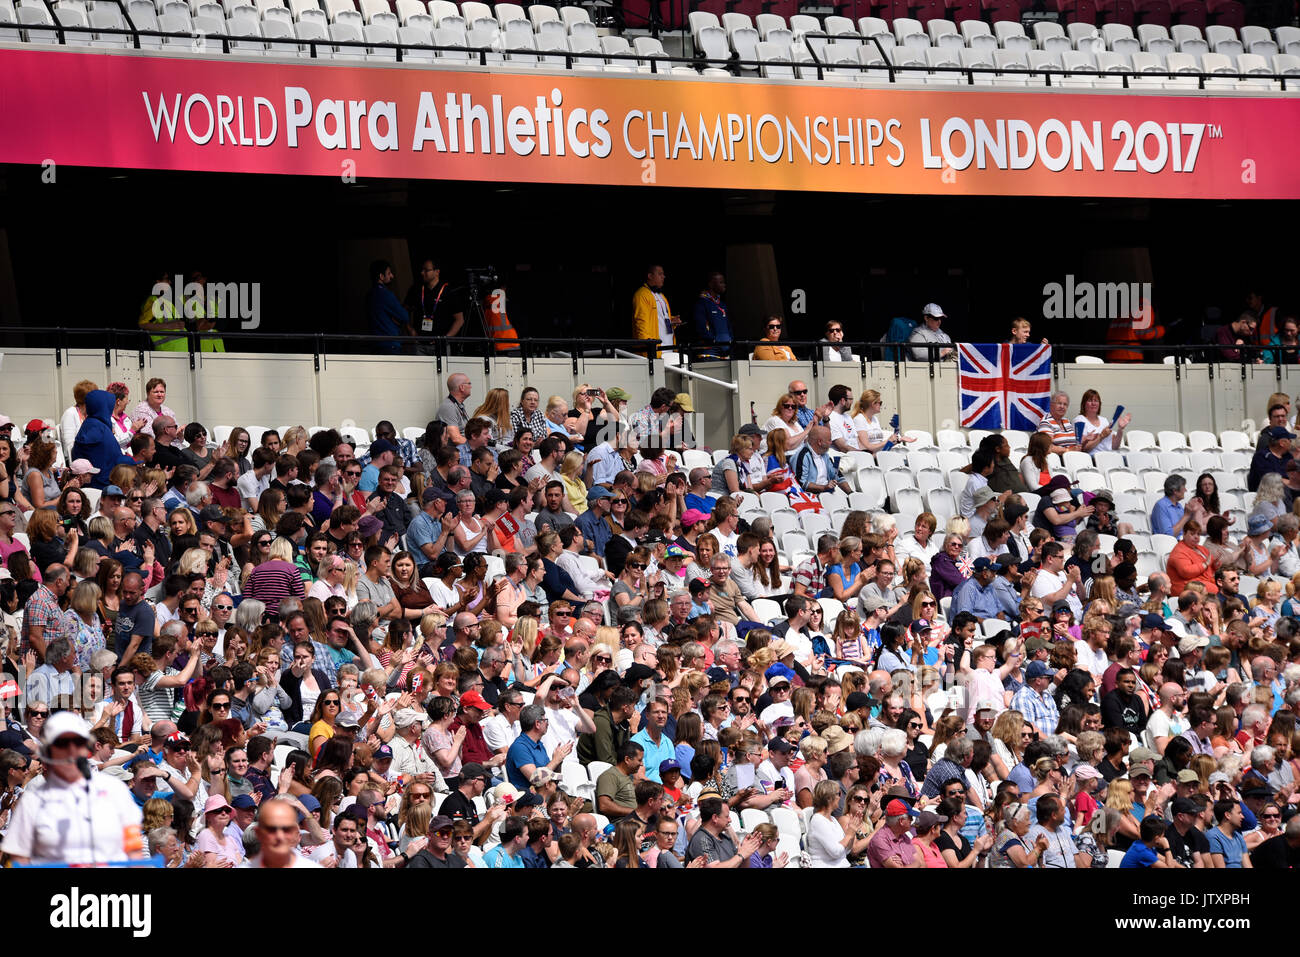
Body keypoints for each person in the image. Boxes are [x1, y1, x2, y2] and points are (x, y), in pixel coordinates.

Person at [1, 712, 145, 865]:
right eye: (62, 744)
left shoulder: (114, 789)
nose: (70, 750)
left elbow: (134, 852)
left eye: (77, 743)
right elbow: (19, 858)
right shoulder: (32, 801)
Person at [366, 259, 412, 354]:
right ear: (381, 276)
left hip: (375, 345)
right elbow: (404, 316)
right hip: (390, 345)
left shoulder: (368, 295)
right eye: (389, 273)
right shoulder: (386, 294)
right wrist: (395, 318)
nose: (392, 276)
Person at [632, 264, 678, 356]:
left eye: (663, 274)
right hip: (655, 350)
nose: (663, 277)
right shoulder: (642, 295)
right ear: (650, 276)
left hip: (669, 348)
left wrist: (672, 321)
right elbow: (641, 323)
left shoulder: (662, 296)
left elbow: (659, 319)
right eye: (660, 274)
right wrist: (648, 348)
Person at [692, 271, 732, 358]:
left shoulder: (722, 304)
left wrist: (729, 339)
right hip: (710, 350)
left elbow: (728, 326)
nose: (724, 284)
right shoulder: (702, 303)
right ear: (711, 284)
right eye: (721, 282)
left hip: (725, 349)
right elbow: (700, 326)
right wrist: (712, 340)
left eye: (724, 282)